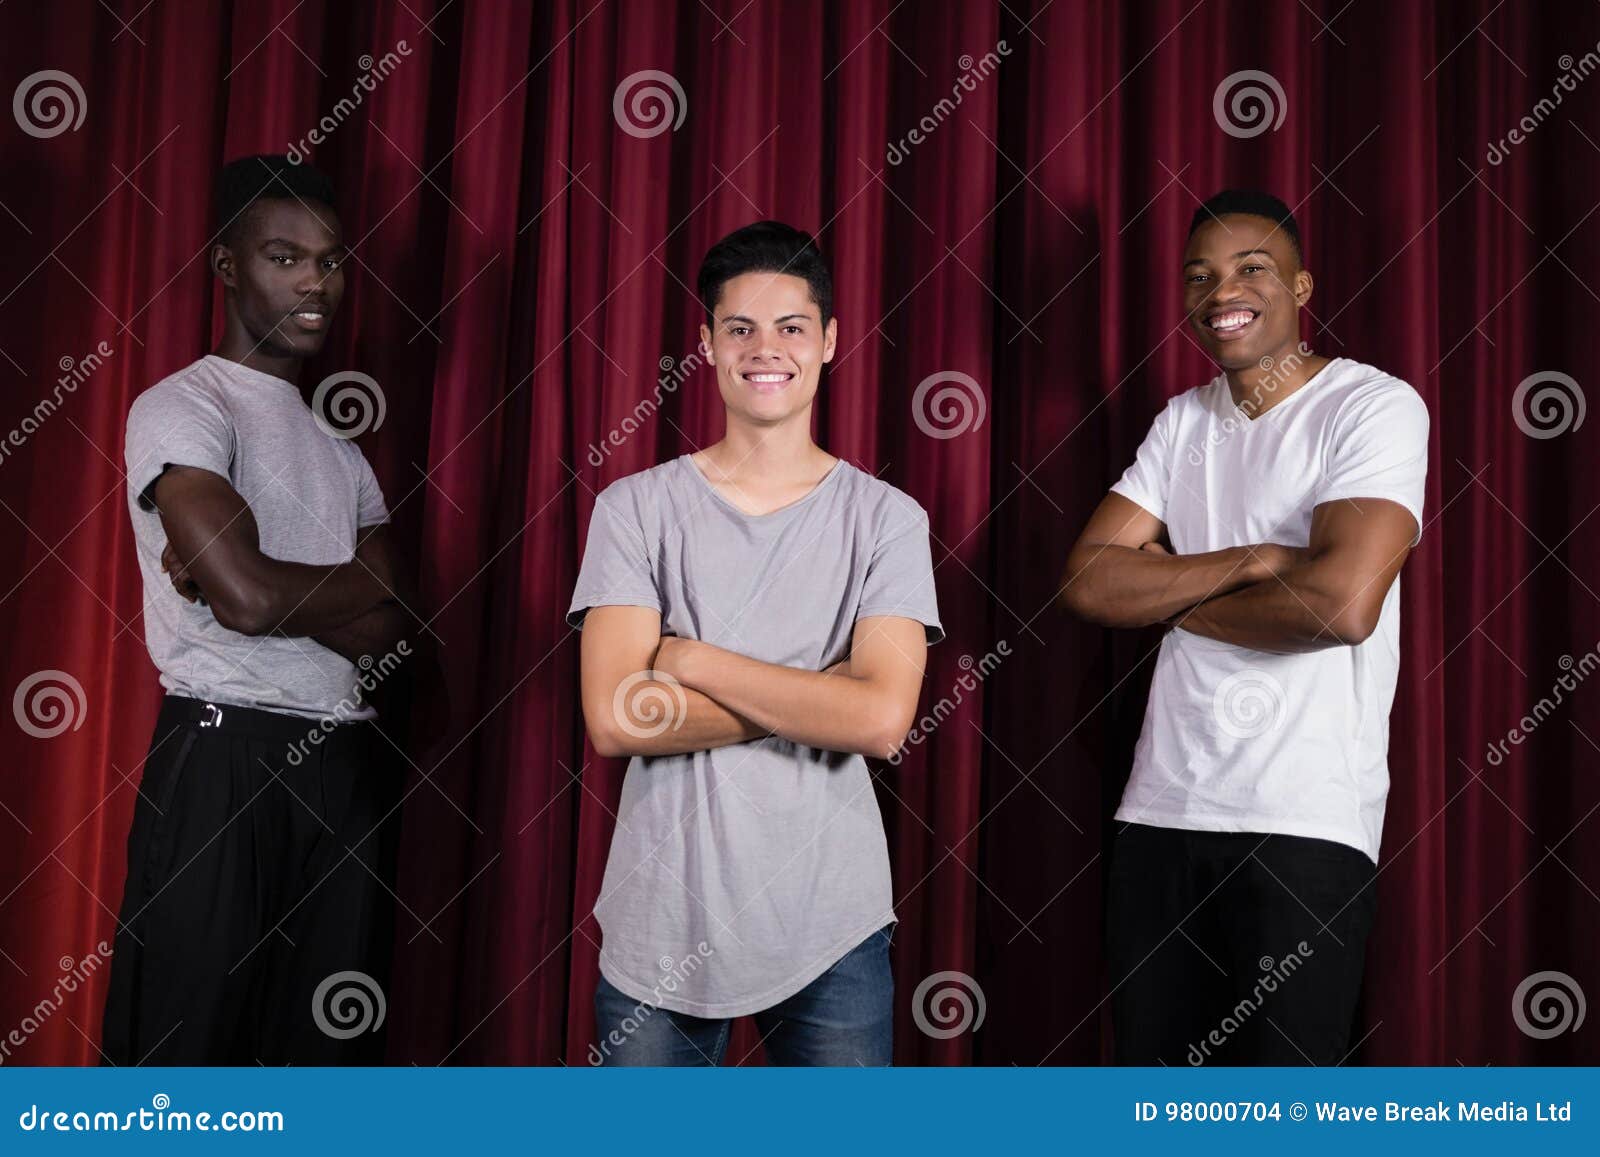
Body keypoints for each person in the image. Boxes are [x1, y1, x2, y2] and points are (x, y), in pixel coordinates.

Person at [1061, 190, 1429, 1065]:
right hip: (1160, 810)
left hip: (1305, 819)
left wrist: (1169, 597)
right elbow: (1085, 579)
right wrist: (1257, 558)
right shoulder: (1181, 422)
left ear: (1302, 285)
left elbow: (1340, 605)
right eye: (1200, 275)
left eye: (1251, 267)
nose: (1223, 289)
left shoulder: (1370, 405)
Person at [568, 220, 942, 1066]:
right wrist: (822, 697)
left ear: (830, 341)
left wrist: (692, 659)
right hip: (662, 918)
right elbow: (617, 718)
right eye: (739, 328)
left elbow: (883, 721)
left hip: (830, 927)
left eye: (790, 328)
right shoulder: (634, 509)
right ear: (704, 344)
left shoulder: (887, 520)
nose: (763, 350)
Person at [101, 155, 422, 1064]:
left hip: (345, 766)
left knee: (325, 1061)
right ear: (229, 264)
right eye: (285, 257)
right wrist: (273, 585)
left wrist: (258, 579)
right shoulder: (183, 406)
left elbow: (394, 624)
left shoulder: (341, 448)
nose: (315, 281)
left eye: (328, 259)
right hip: (223, 758)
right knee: (184, 1053)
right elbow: (245, 600)